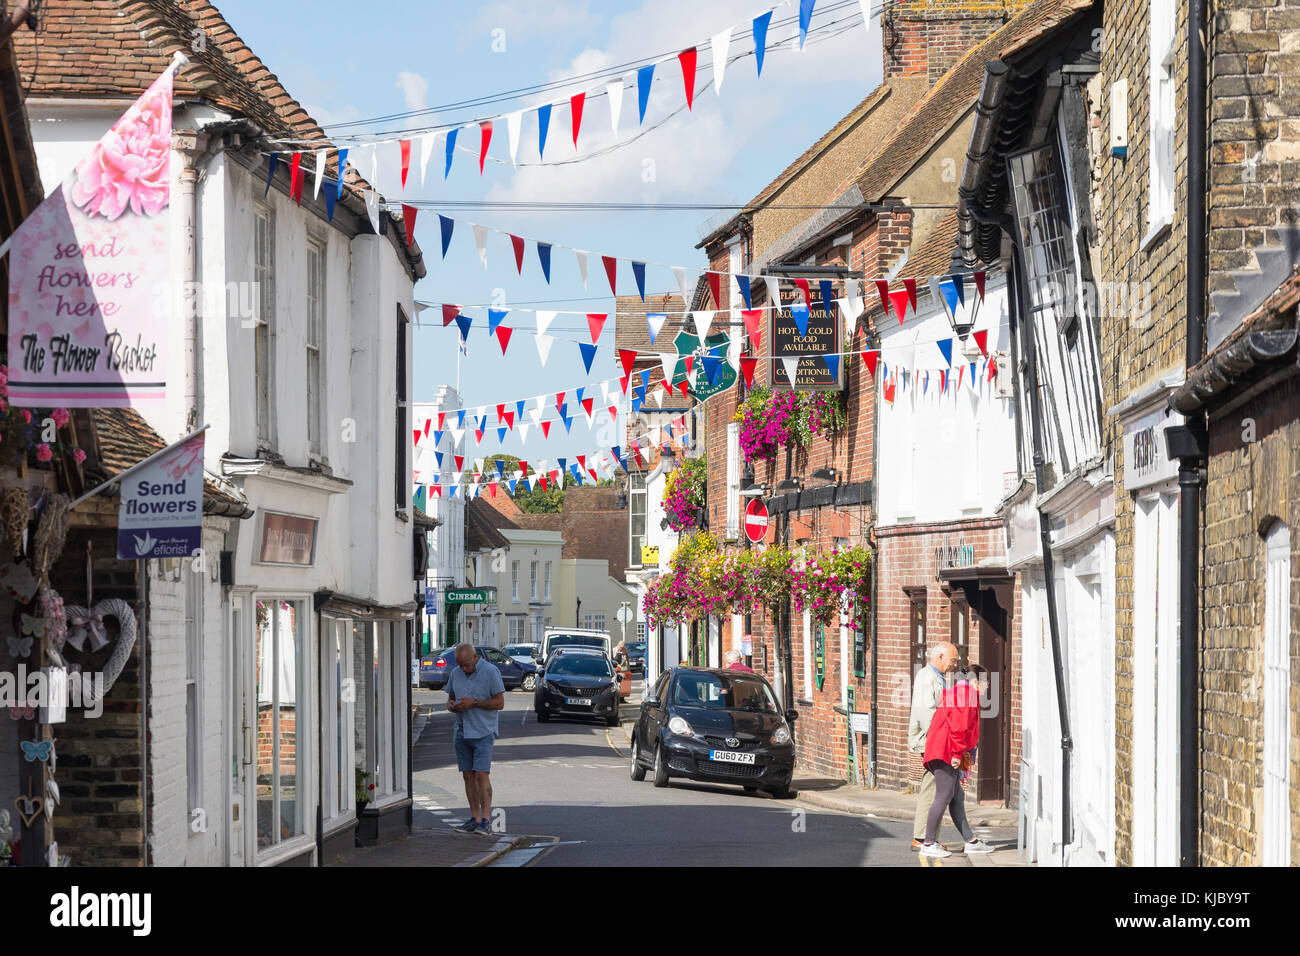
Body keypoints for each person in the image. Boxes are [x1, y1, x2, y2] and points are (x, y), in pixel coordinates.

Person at [917, 669, 994, 858]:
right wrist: (958, 753)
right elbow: (960, 727)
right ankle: (928, 843)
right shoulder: (966, 694)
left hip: (944, 749)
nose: (988, 687)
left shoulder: (962, 692)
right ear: (978, 681)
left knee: (956, 796)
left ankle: (971, 841)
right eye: (987, 682)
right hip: (946, 751)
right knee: (943, 796)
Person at [444, 643, 505, 836]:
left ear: (475, 658)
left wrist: (476, 703)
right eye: (460, 665)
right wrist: (451, 705)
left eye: (466, 665)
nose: (463, 669)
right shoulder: (456, 673)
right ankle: (474, 818)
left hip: (483, 731)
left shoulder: (490, 672)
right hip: (461, 730)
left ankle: (486, 821)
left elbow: (500, 703)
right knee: (467, 775)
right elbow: (450, 699)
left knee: (481, 774)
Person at [908, 642, 956, 850]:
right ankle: (922, 839)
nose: (955, 665)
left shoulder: (936, 676)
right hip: (931, 742)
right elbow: (926, 713)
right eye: (953, 660)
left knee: (936, 790)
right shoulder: (927, 678)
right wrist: (940, 740)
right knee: (931, 791)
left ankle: (926, 838)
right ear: (940, 657)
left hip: (934, 741)